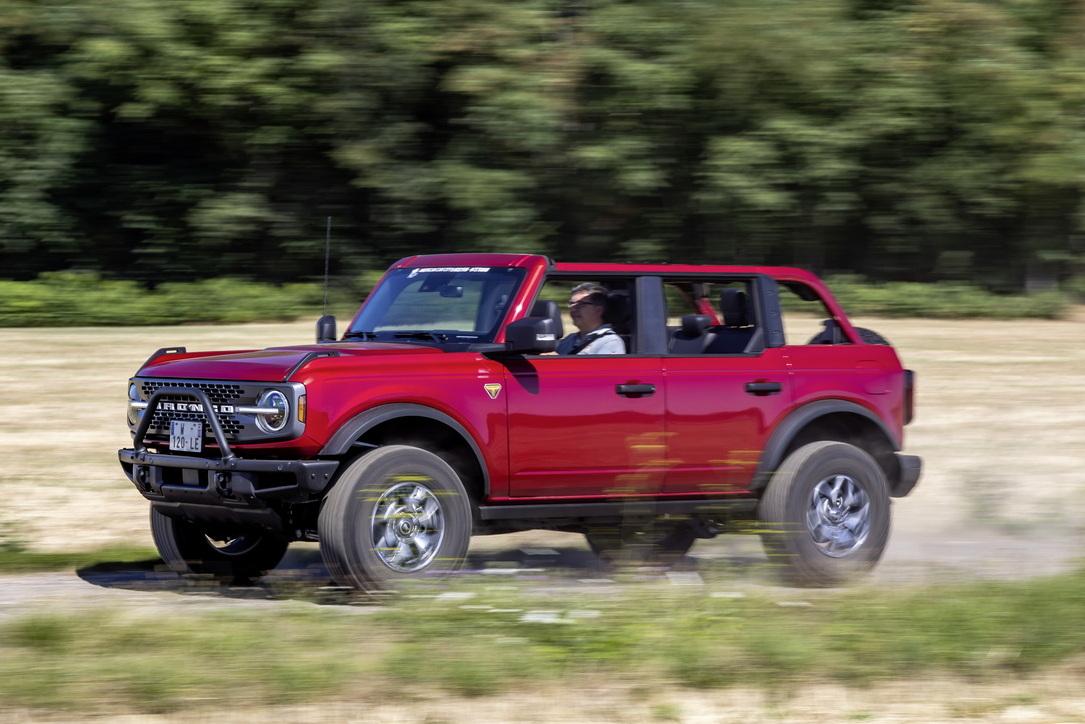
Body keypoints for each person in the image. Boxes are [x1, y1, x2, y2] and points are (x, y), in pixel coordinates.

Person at [556, 282, 627, 355]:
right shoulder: (570, 339)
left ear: (598, 310)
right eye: (571, 303)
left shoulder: (610, 342)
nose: (573, 308)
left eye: (581, 304)